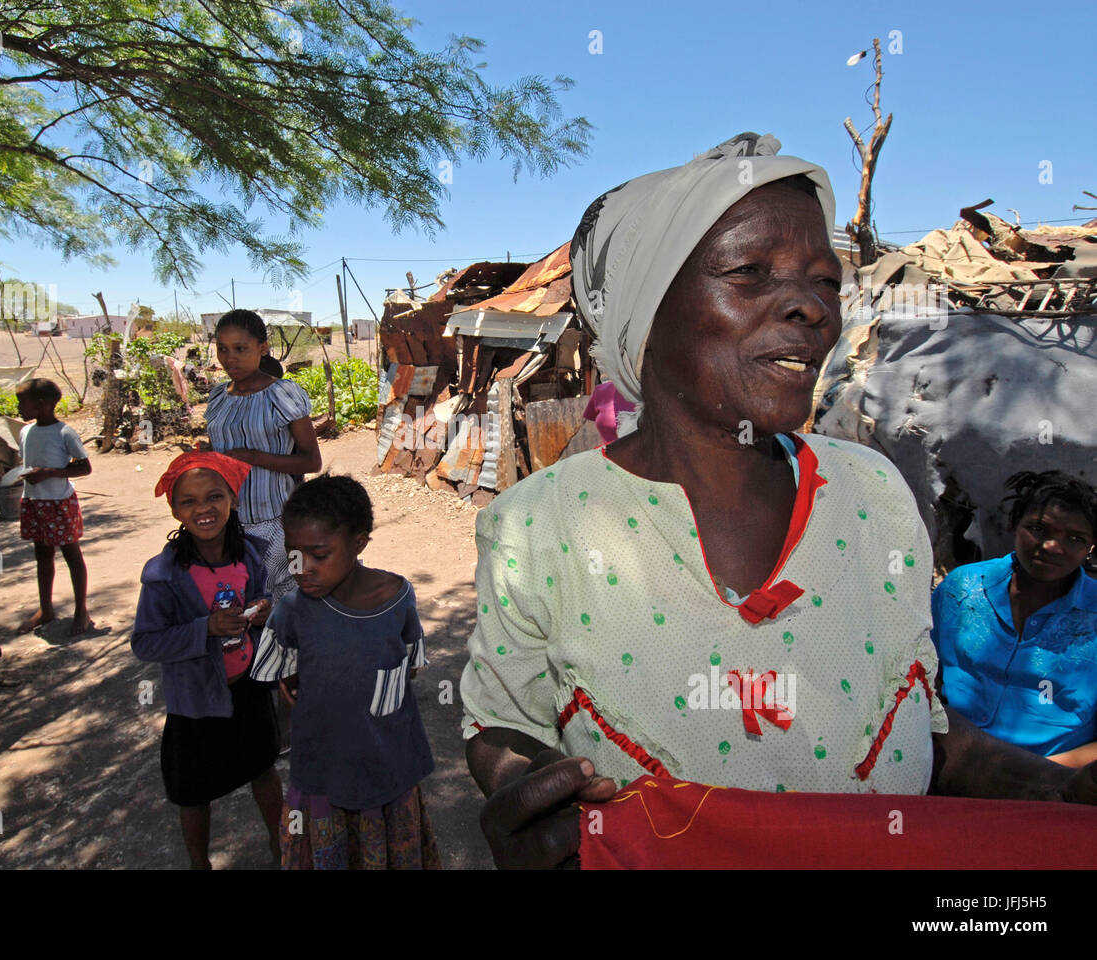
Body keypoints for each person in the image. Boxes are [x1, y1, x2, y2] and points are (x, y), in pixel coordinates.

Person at [459, 132, 1097, 869]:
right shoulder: (537, 526)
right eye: (750, 272)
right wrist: (532, 791)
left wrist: (1056, 793)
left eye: (825, 281)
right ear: (647, 312)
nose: (812, 307)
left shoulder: (874, 493)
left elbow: (913, 723)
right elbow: (502, 724)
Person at [250, 475, 439, 869]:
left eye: (319, 555)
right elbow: (279, 670)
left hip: (389, 760)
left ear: (359, 543)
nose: (302, 569)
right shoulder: (293, 610)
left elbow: (409, 665)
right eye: (293, 555)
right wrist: (292, 680)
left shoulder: (397, 597)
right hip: (324, 767)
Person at [132, 451, 281, 869]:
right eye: (189, 501)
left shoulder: (249, 554)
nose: (204, 508)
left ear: (233, 498)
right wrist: (206, 629)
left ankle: (281, 845)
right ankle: (200, 863)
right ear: (175, 510)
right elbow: (146, 643)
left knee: (264, 769)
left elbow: (259, 599)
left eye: (214, 496)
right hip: (196, 700)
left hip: (248, 688)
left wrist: (262, 611)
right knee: (193, 793)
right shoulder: (163, 575)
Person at [932, 470, 1097, 768]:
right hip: (947, 760)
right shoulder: (962, 589)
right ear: (1014, 524)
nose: (1052, 546)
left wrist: (1036, 775)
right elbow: (919, 678)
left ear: (1091, 547)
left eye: (1075, 538)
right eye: (1038, 528)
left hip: (1055, 778)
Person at [204, 310, 322, 603]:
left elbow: (312, 461)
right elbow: (218, 451)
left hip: (273, 521)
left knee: (279, 601)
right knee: (235, 601)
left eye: (240, 349)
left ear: (262, 348)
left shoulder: (282, 394)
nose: (230, 358)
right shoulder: (218, 397)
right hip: (224, 523)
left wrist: (252, 457)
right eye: (222, 349)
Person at [14, 378, 93, 634]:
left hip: (59, 502)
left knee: (72, 554)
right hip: (34, 501)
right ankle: (45, 609)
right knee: (42, 555)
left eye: (22, 403)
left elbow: (84, 467)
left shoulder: (64, 433)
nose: (18, 408)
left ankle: (81, 611)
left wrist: (48, 473)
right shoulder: (26, 432)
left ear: (42, 404)